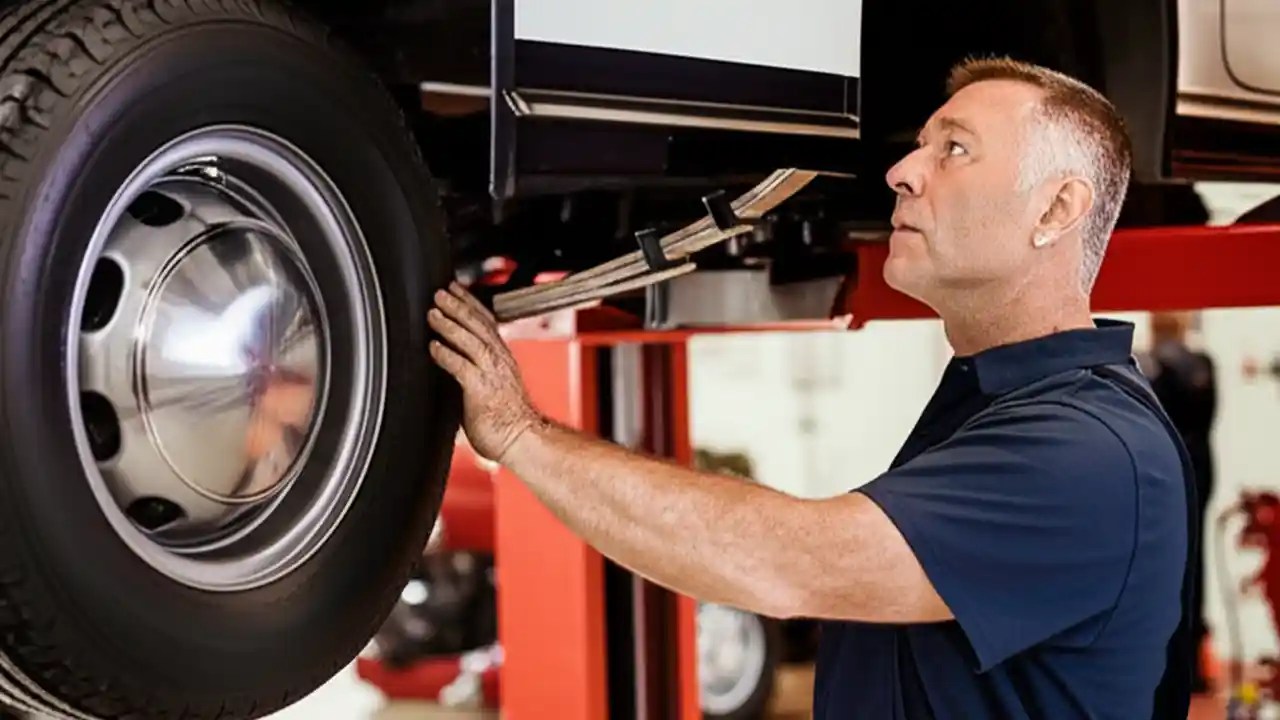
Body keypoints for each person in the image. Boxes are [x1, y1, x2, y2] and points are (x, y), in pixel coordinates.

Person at [427, 57, 1193, 720]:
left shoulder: (1090, 453)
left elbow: (785, 562)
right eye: (920, 145)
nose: (902, 170)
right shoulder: (1003, 408)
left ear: (1056, 209)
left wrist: (523, 435)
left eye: (954, 149)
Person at [1140, 311, 1217, 692]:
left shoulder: (1185, 366)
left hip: (1183, 476)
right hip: (1164, 476)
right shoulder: (1152, 365)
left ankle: (1188, 664)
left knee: (1187, 569)